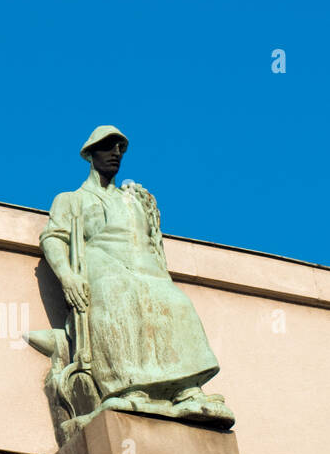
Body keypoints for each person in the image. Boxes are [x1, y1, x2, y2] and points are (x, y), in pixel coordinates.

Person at [32, 125, 233, 436]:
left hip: (141, 270)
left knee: (176, 303)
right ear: (90, 154)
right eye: (108, 147)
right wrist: (68, 277)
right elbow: (53, 239)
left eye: (120, 149)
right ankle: (127, 388)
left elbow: (150, 244)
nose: (115, 154)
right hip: (100, 264)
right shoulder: (71, 199)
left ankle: (184, 390)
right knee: (118, 295)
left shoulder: (132, 199)